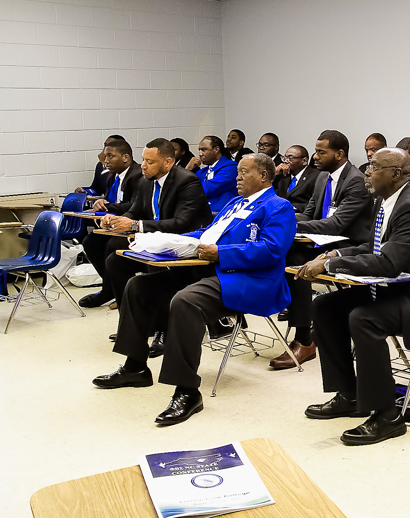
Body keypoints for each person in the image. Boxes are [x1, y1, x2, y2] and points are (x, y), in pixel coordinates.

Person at [93, 154, 297, 426]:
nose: (237, 177)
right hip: (210, 271)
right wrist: (164, 241)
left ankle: (187, 392)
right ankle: (135, 368)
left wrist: (221, 253)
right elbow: (206, 233)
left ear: (263, 176)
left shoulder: (278, 206)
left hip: (248, 279)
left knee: (186, 301)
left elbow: (273, 249)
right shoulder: (235, 204)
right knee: (138, 286)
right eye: (237, 172)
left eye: (243, 172)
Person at [299, 148, 410, 445]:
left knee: (364, 318)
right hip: (396, 288)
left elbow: (388, 263)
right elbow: (375, 249)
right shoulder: (386, 201)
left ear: (396, 174)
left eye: (373, 167)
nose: (367, 173)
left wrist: (331, 264)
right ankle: (350, 394)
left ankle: (387, 416)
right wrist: (337, 253)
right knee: (325, 306)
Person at [81, 139, 212, 356]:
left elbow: (181, 223)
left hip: (185, 243)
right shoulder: (146, 181)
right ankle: (130, 323)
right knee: (115, 259)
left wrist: (134, 225)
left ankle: (163, 329)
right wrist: (115, 219)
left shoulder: (187, 181)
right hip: (156, 238)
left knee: (154, 266)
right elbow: (136, 210)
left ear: (168, 163)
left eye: (150, 162)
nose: (142, 166)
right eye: (143, 160)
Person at [270, 130, 373, 370]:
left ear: (339, 154)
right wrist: (288, 218)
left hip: (348, 245)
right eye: (315, 150)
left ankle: (304, 339)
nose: (315, 156)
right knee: (284, 253)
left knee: (294, 260)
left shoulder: (355, 180)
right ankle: (295, 320)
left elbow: (337, 225)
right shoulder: (322, 177)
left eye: (320, 152)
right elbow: (310, 214)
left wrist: (290, 223)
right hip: (320, 240)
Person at [81, 139, 143, 308]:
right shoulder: (111, 176)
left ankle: (117, 291)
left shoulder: (138, 175)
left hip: (135, 226)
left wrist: (108, 207)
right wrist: (100, 204)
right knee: (90, 241)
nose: (105, 160)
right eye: (105, 155)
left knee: (112, 245)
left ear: (125, 157)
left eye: (110, 156)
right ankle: (110, 288)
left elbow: (134, 205)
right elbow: (109, 200)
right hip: (115, 225)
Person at [192, 136, 238, 214]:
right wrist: (188, 170)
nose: (200, 154)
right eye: (199, 150)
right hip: (202, 213)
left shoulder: (231, 167)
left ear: (216, 149)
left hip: (223, 213)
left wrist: (190, 188)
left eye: (203, 150)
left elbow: (210, 188)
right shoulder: (201, 172)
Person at [273, 144, 321, 214]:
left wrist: (292, 207)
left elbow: (316, 203)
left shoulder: (316, 176)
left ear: (304, 161)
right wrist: (274, 174)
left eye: (290, 158)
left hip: (301, 215)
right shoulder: (281, 174)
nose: (285, 161)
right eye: (284, 158)